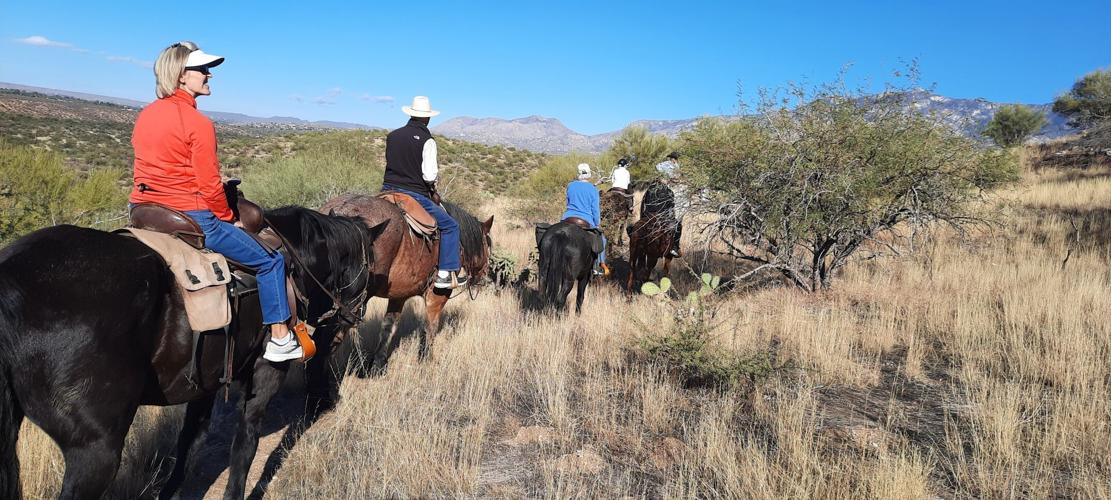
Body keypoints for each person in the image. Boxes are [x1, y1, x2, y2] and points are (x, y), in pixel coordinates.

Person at [130, 41, 304, 362]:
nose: (209, 75)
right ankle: (280, 337)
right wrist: (227, 217)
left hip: (144, 212)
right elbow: (209, 186)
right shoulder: (198, 123)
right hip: (191, 215)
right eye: (202, 70)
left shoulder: (146, 115)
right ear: (182, 76)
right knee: (271, 262)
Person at [381, 96, 467, 289]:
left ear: (411, 113)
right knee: (451, 226)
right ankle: (445, 274)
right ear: (427, 118)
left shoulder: (393, 136)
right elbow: (429, 175)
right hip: (414, 194)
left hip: (387, 190)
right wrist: (433, 191)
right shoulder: (428, 140)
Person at [562, 163, 607, 276]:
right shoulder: (592, 189)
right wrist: (597, 223)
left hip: (567, 217)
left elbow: (567, 203)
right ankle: (598, 266)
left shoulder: (570, 185)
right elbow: (595, 209)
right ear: (589, 174)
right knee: (602, 239)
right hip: (585, 220)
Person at [648, 151, 684, 257]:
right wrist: (667, 178)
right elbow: (676, 177)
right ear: (673, 158)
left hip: (666, 185)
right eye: (675, 158)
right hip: (670, 187)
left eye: (675, 158)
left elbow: (657, 167)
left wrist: (662, 177)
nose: (675, 160)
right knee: (678, 222)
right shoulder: (672, 165)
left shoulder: (665, 164)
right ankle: (675, 246)